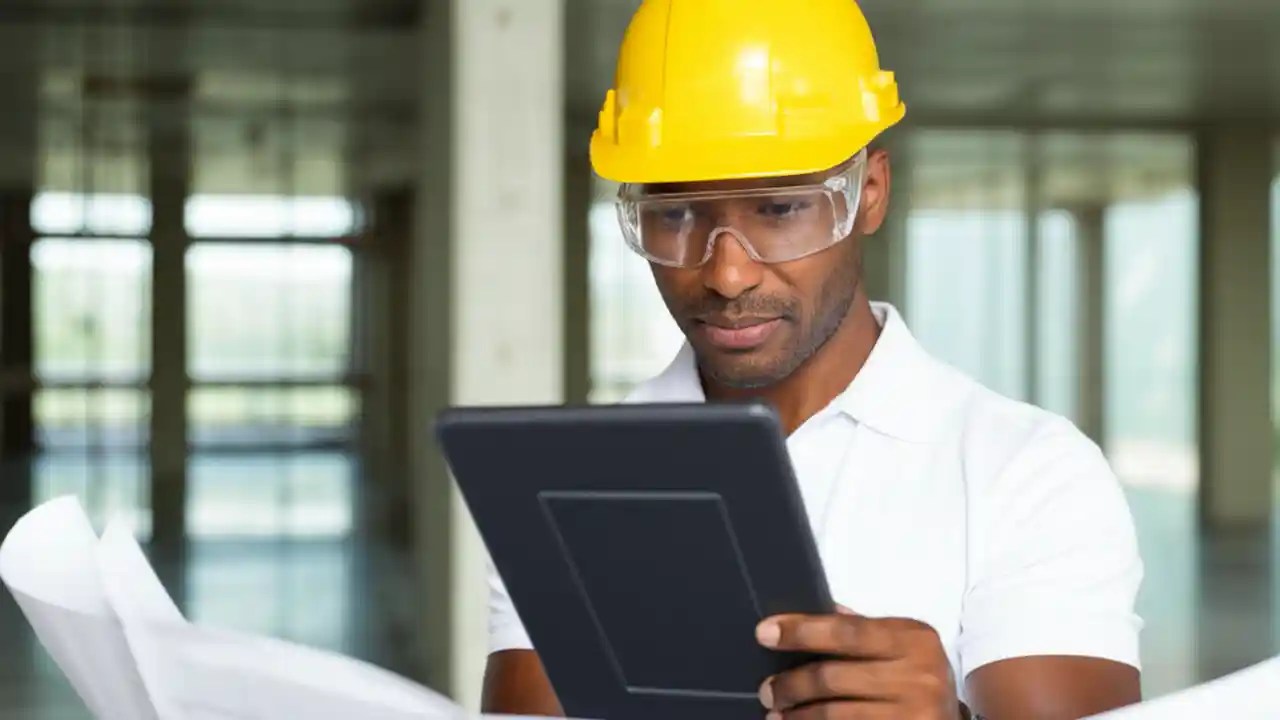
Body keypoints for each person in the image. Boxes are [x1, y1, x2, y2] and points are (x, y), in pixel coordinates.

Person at [483, 1, 1143, 718]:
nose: (728, 275)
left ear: (870, 194)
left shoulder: (1026, 474)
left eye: (779, 210)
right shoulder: (568, 484)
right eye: (676, 215)